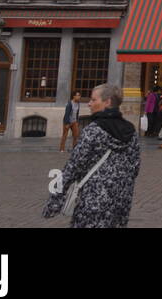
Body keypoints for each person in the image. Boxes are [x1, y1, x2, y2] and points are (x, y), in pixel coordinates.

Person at [42, 83, 139, 227]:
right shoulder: (131, 131)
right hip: (120, 203)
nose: (89, 104)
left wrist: (55, 201)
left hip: (93, 201)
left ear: (107, 102)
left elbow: (74, 166)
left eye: (94, 100)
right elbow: (134, 168)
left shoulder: (93, 130)